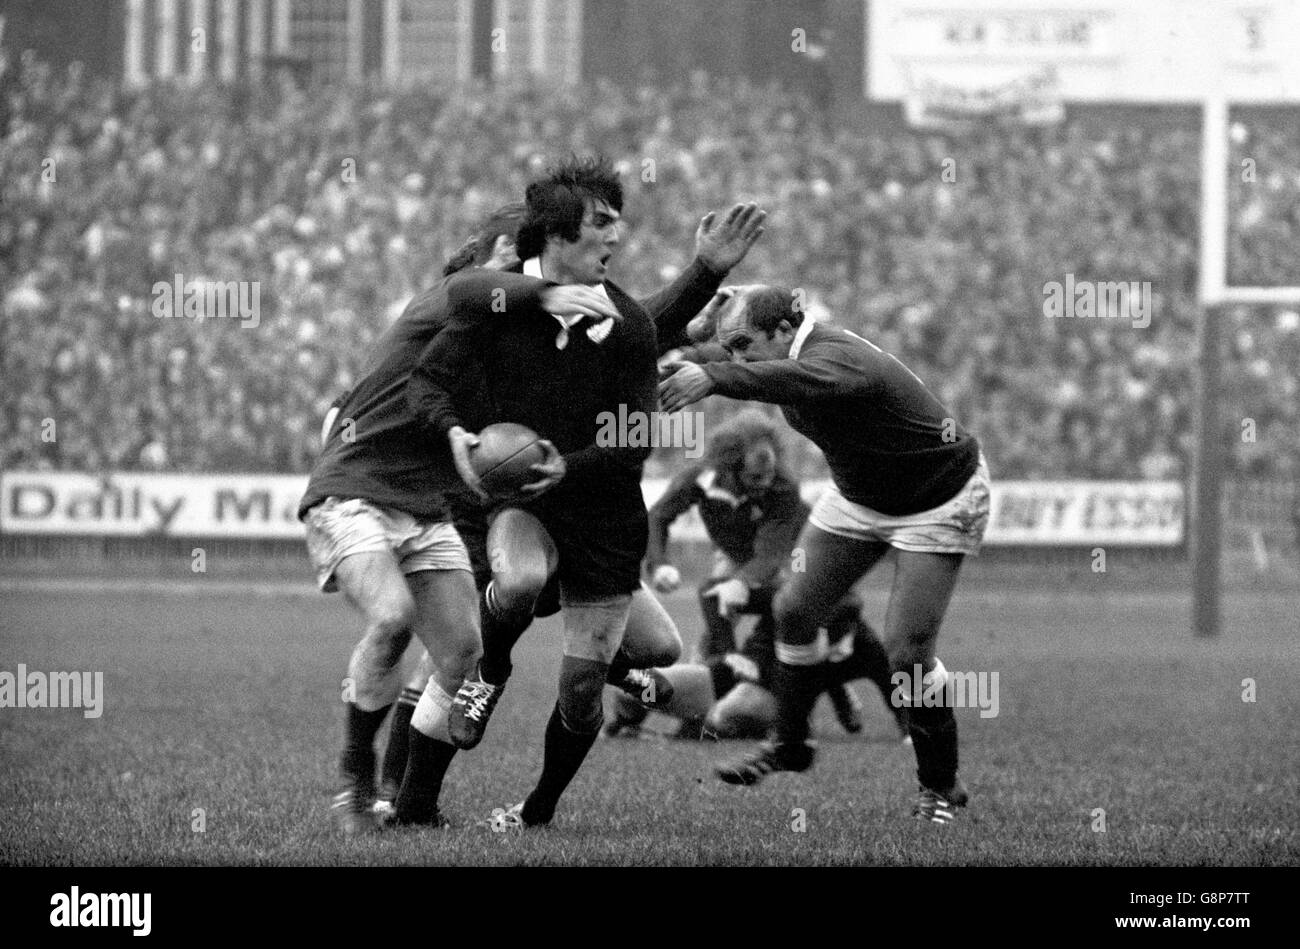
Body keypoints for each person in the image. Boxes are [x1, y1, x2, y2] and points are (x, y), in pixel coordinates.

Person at [367, 199, 766, 816]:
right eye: (503, 258)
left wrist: (700, 284)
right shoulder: (472, 310)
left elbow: (637, 328)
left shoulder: (581, 310)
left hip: (581, 512)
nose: (512, 267)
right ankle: (401, 795)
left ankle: (603, 698)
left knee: (656, 648)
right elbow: (446, 356)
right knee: (457, 654)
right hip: (487, 507)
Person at [299, 209, 625, 836]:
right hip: (354, 494)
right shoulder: (452, 303)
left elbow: (630, 326)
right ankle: (355, 773)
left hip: (425, 509)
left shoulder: (502, 347)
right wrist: (554, 291)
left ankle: (410, 800)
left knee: (463, 652)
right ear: (507, 251)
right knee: (392, 617)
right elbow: (472, 287)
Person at [659, 285, 991, 824]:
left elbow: (784, 378)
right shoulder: (780, 350)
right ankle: (791, 745)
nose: (738, 357)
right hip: (860, 497)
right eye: (734, 348)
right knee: (794, 611)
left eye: (745, 344)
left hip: (939, 497)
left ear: (786, 332)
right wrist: (687, 349)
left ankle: (939, 784)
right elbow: (737, 361)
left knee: (908, 656)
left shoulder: (837, 358)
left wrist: (715, 376)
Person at [609, 409, 904, 740]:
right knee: (715, 632)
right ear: (729, 468)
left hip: (792, 558)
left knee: (804, 620)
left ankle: (824, 684)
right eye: (754, 479)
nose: (764, 484)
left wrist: (739, 584)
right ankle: (702, 708)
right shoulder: (702, 478)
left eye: (769, 475)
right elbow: (658, 516)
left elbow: (771, 556)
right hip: (737, 557)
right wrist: (659, 562)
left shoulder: (783, 488)